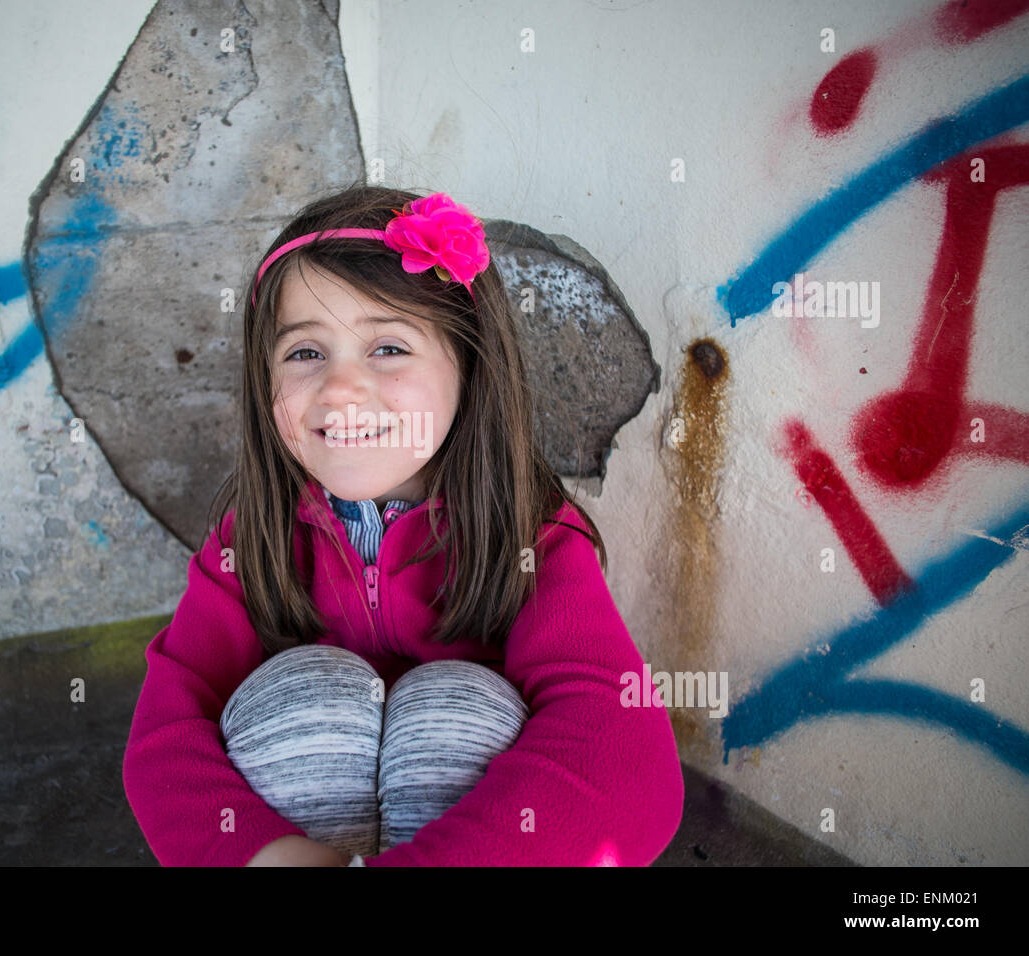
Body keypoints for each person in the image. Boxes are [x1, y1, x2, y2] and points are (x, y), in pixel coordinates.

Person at [121, 182, 684, 866]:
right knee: (309, 696)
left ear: (470, 368)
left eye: (387, 346)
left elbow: (623, 756)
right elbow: (166, 738)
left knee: (459, 708)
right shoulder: (255, 538)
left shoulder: (531, 539)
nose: (340, 388)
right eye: (304, 353)